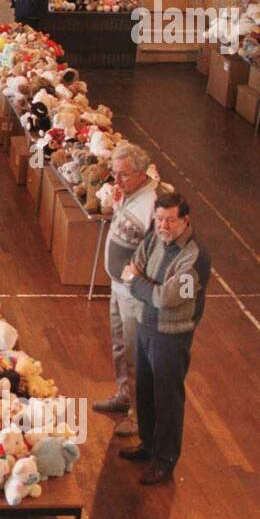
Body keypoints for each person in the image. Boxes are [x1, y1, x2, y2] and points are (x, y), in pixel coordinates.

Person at [119, 192, 212, 486]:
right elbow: (134, 264)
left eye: (170, 220)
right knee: (145, 390)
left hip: (171, 336)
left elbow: (167, 298)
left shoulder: (195, 258)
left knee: (167, 399)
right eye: (159, 219)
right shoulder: (154, 238)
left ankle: (165, 461)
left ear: (185, 220)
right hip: (147, 327)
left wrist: (138, 281)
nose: (163, 226)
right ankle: (148, 445)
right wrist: (146, 284)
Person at [95, 142, 162, 438]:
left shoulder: (154, 203)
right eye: (113, 173)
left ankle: (140, 415)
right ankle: (125, 394)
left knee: (137, 355)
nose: (115, 180)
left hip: (135, 293)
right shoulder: (132, 193)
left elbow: (160, 252)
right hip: (118, 285)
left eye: (122, 175)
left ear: (140, 173)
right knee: (120, 345)